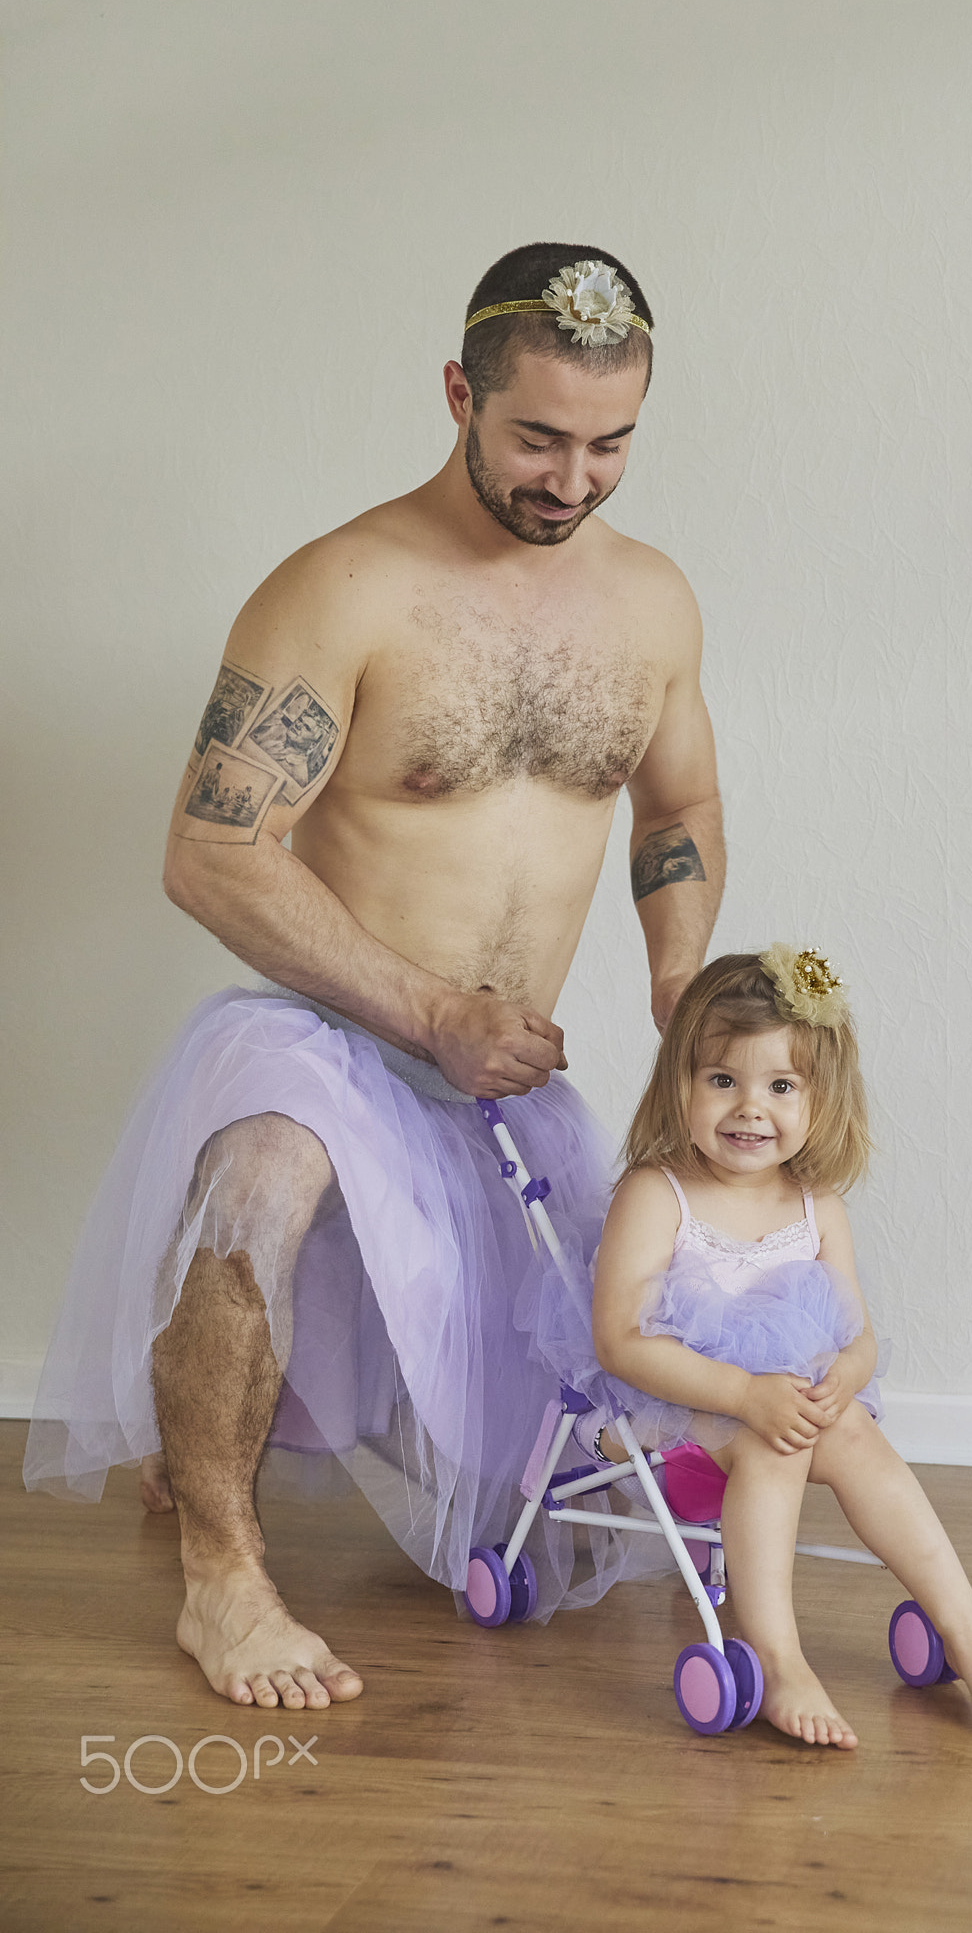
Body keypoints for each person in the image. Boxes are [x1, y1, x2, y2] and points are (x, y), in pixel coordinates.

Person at [24, 242, 726, 1712]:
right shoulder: (341, 586)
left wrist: (678, 983)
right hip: (332, 1021)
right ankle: (223, 1581)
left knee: (519, 1502)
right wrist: (430, 1012)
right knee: (265, 1172)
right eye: (537, 436)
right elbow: (214, 851)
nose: (573, 477)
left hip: (502, 1072)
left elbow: (677, 812)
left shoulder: (653, 603)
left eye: (611, 444)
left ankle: (208, 1431)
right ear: (459, 394)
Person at [584, 947, 972, 1748]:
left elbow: (855, 1332)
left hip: (780, 1411)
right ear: (680, 1084)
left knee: (853, 1432)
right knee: (774, 1441)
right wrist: (740, 1394)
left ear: (819, 1099)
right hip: (670, 1423)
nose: (749, 1109)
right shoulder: (655, 1193)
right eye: (721, 1080)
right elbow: (620, 1341)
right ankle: (777, 1658)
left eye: (781, 1086)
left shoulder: (814, 1203)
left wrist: (846, 1376)